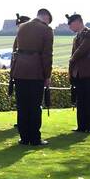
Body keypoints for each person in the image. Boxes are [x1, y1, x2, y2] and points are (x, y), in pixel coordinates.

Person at [11, 8, 53, 145]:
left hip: (20, 70)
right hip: (36, 71)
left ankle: (24, 137)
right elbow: (47, 55)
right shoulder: (46, 30)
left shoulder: (22, 27)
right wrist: (47, 75)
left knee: (22, 105)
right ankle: (35, 137)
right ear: (46, 18)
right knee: (35, 106)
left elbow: (15, 49)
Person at [66, 13, 90, 133]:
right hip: (79, 73)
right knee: (80, 100)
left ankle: (89, 126)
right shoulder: (77, 37)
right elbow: (74, 55)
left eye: (71, 24)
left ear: (77, 22)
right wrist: (71, 71)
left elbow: (81, 50)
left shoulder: (89, 34)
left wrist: (71, 59)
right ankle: (81, 125)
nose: (70, 27)